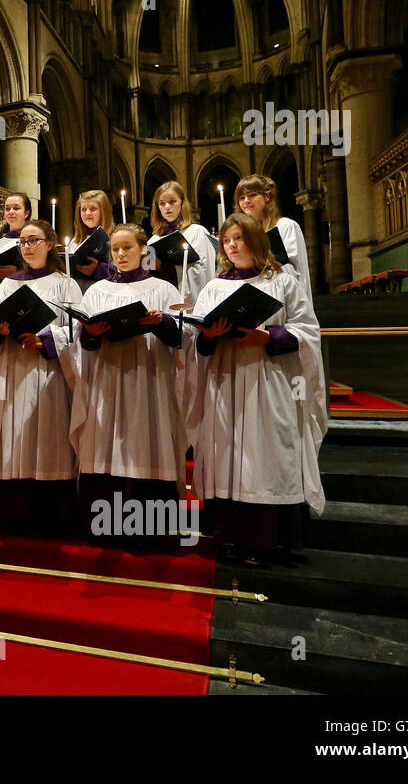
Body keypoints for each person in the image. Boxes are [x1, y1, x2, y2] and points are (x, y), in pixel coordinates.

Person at [182, 212, 326, 557]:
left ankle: (266, 538)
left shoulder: (283, 281)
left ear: (256, 241)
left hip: (269, 381)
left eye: (239, 238)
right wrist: (209, 337)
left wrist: (268, 335)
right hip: (225, 381)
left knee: (265, 456)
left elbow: (308, 331)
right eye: (227, 240)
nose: (232, 246)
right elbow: (193, 340)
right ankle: (229, 533)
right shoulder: (215, 287)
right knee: (228, 454)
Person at [73, 224, 187, 542]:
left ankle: (151, 527)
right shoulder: (96, 292)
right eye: (115, 250)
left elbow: (182, 336)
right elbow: (82, 339)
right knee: (106, 442)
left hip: (148, 379)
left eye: (128, 248)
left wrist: (161, 321)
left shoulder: (163, 289)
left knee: (146, 440)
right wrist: (90, 334)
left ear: (143, 251)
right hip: (107, 381)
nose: (121, 255)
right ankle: (104, 525)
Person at [0, 219, 84, 526]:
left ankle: (51, 515)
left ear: (49, 244)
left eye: (33, 240)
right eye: (22, 242)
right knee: (12, 436)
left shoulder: (65, 283)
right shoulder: (8, 285)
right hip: (12, 369)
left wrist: (47, 339)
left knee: (47, 435)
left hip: (48, 371)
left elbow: (77, 330)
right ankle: (12, 512)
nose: (27, 247)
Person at [235, 174, 312, 302]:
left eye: (252, 195)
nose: (246, 201)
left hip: (283, 297)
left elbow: (298, 271)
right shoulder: (239, 234)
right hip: (251, 298)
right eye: (242, 197)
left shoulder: (286, 226)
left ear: (267, 196)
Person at [148, 180, 218, 304]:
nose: (167, 207)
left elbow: (204, 270)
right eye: (162, 203)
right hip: (163, 304)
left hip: (190, 305)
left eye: (172, 201)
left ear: (182, 203)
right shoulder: (153, 240)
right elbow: (146, 276)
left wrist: (164, 266)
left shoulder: (197, 232)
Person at [66, 189, 118, 292]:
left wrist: (98, 269)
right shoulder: (76, 240)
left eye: (93, 209)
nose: (87, 213)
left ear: (104, 211)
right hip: (78, 291)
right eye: (83, 209)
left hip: (105, 292)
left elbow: (122, 270)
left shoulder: (115, 237)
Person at [0, 192, 32, 289]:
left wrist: (17, 271)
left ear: (26, 213)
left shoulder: (33, 241)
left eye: (16, 208)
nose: (11, 212)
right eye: (7, 208)